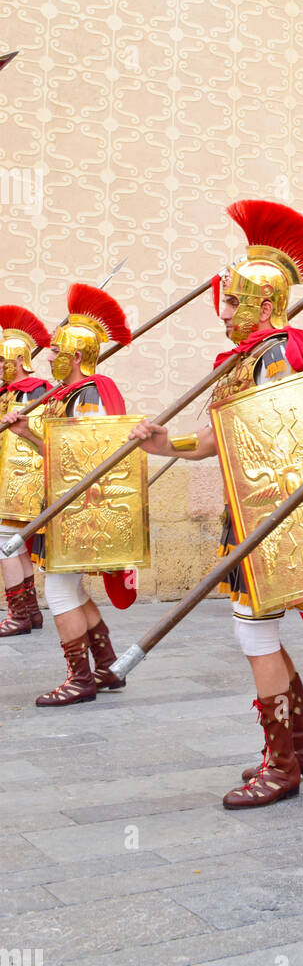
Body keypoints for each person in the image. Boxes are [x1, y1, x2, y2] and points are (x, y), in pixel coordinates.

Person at [130, 200, 303, 809]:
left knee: (253, 634)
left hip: (275, 520)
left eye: (232, 301)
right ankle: (301, 747)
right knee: (255, 632)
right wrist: (166, 444)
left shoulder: (281, 355)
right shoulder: (240, 364)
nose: (223, 312)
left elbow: (301, 443)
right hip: (248, 514)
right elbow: (213, 441)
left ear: (263, 303)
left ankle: (282, 761)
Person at [6, 285, 134, 704]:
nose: (49, 355)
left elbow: (86, 458)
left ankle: (80, 678)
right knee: (73, 591)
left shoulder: (90, 395)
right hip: (65, 503)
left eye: (57, 349)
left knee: (60, 592)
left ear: (76, 356)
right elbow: (62, 453)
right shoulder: (69, 396)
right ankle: (107, 667)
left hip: (79, 508)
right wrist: (27, 433)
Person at [0, 306, 51, 636]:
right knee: (13, 544)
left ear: (19, 359)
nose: (0, 367)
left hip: (22, 480)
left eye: (3, 361)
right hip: (6, 479)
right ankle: (29, 612)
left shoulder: (37, 391)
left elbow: (38, 437)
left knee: (4, 543)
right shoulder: (6, 393)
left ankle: (18, 614)